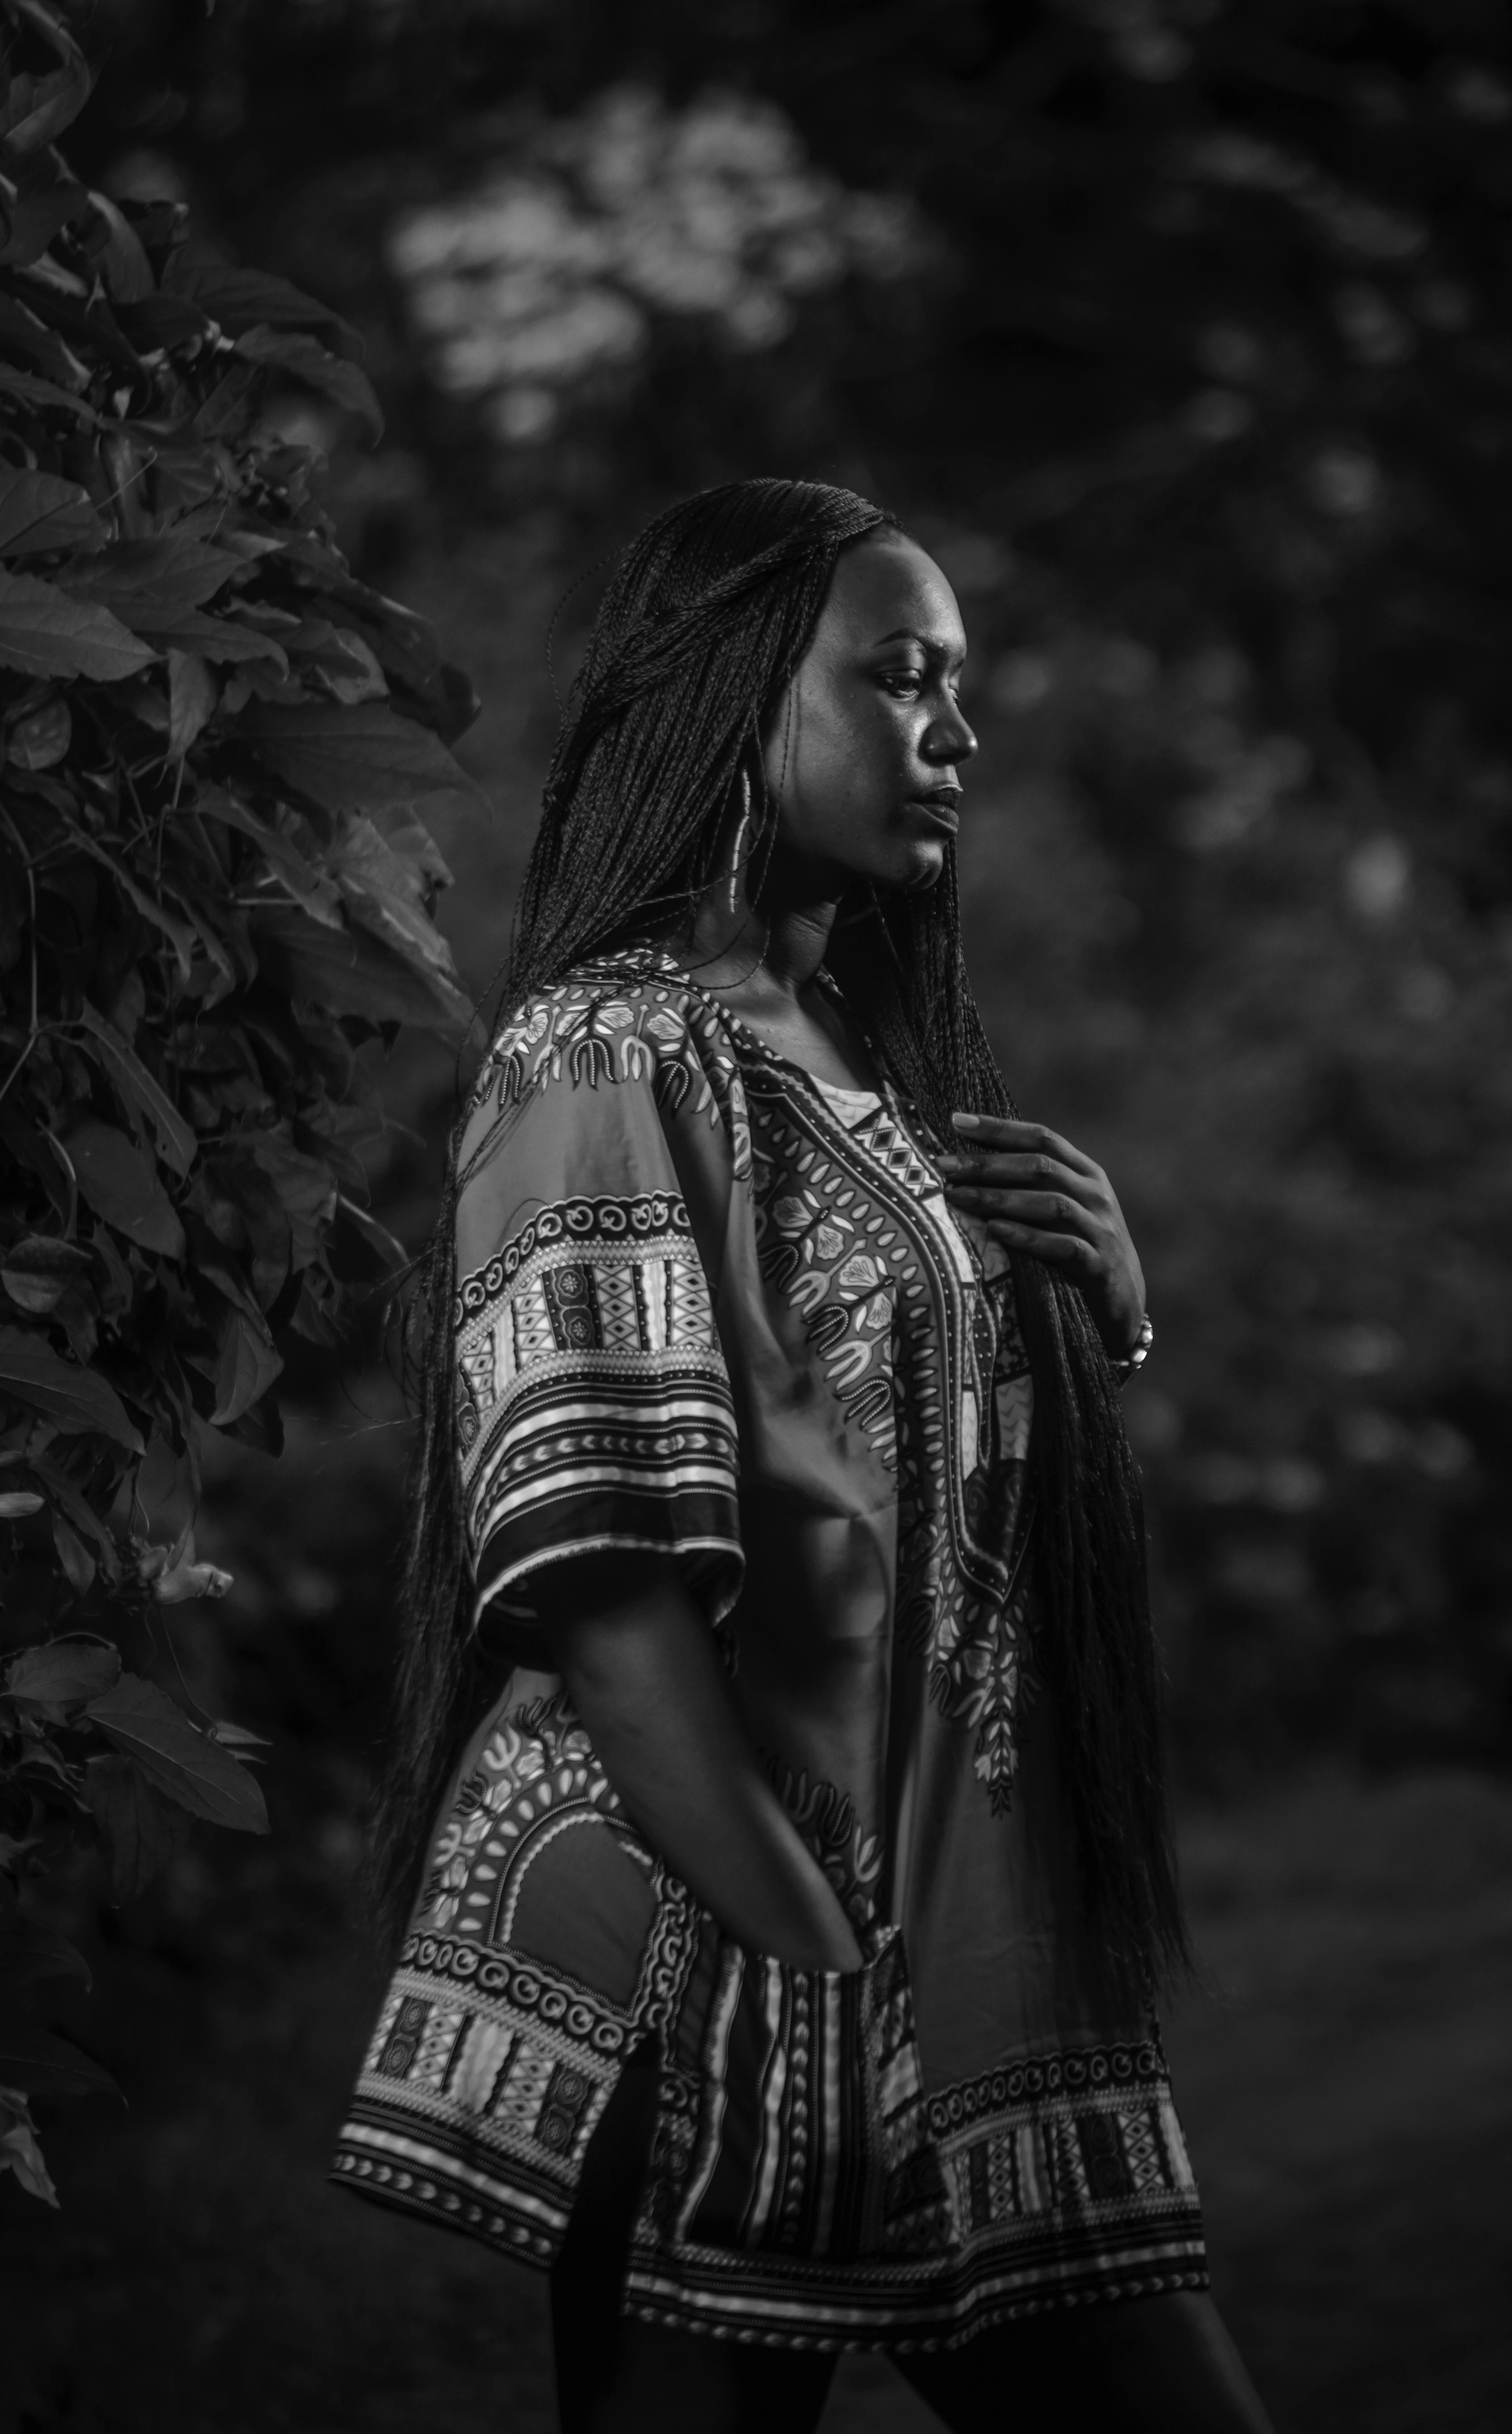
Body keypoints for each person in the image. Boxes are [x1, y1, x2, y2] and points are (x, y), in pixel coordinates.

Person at [332, 479, 1273, 2433]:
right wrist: (813, 1949)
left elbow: (911, 1476)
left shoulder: (832, 1049)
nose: (959, 731)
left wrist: (1104, 1297)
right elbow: (598, 1583)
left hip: (952, 1954)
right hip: (726, 1959)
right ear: (741, 692)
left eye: (963, 686)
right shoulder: (605, 1054)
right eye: (902, 677)